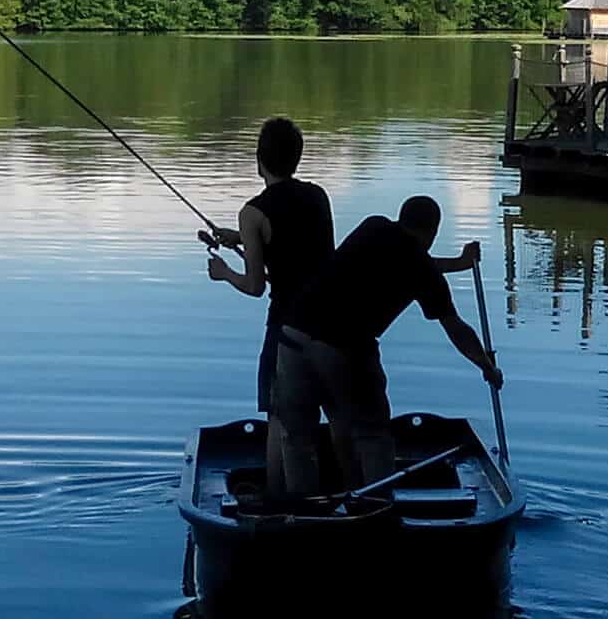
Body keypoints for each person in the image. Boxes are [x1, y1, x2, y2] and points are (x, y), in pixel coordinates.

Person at [274, 196, 502, 495]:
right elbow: (456, 328)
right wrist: (487, 366)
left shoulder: (373, 227)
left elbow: (413, 262)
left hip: (292, 337)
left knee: (297, 436)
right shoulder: (421, 267)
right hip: (342, 347)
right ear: (432, 231)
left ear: (401, 217)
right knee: (371, 433)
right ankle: (375, 508)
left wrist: (459, 264)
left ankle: (301, 515)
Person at [205, 118, 335, 493]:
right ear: (297, 158)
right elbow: (303, 254)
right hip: (331, 324)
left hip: (286, 328)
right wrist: (243, 242)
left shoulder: (253, 213)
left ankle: (281, 504)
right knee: (334, 417)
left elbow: (256, 285)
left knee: (281, 419)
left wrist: (225, 272)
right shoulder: (317, 196)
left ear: (258, 159)